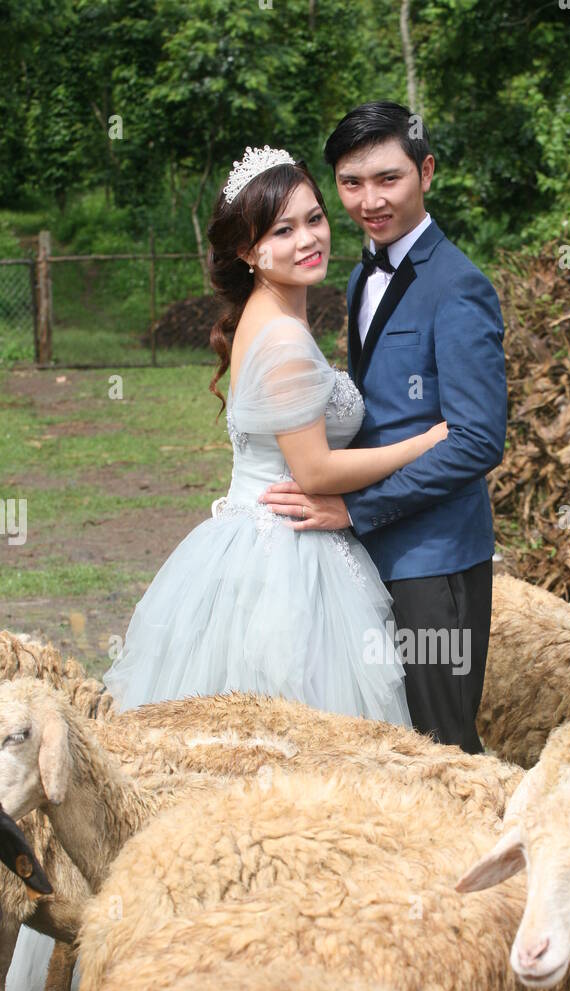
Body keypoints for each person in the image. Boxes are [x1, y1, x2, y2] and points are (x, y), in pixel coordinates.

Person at [101, 145, 448, 722]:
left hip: (259, 533)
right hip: (286, 551)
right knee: (299, 725)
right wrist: (424, 443)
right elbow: (313, 472)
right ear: (248, 250)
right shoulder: (283, 340)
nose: (308, 239)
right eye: (282, 230)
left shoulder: (269, 315)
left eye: (314, 219)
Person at [259, 102, 507, 753]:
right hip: (365, 554)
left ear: (425, 171)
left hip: (435, 557)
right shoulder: (357, 275)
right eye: (350, 183)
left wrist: (357, 508)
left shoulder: (460, 287)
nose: (370, 199)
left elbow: (479, 439)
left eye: (388, 178)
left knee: (444, 745)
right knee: (386, 743)